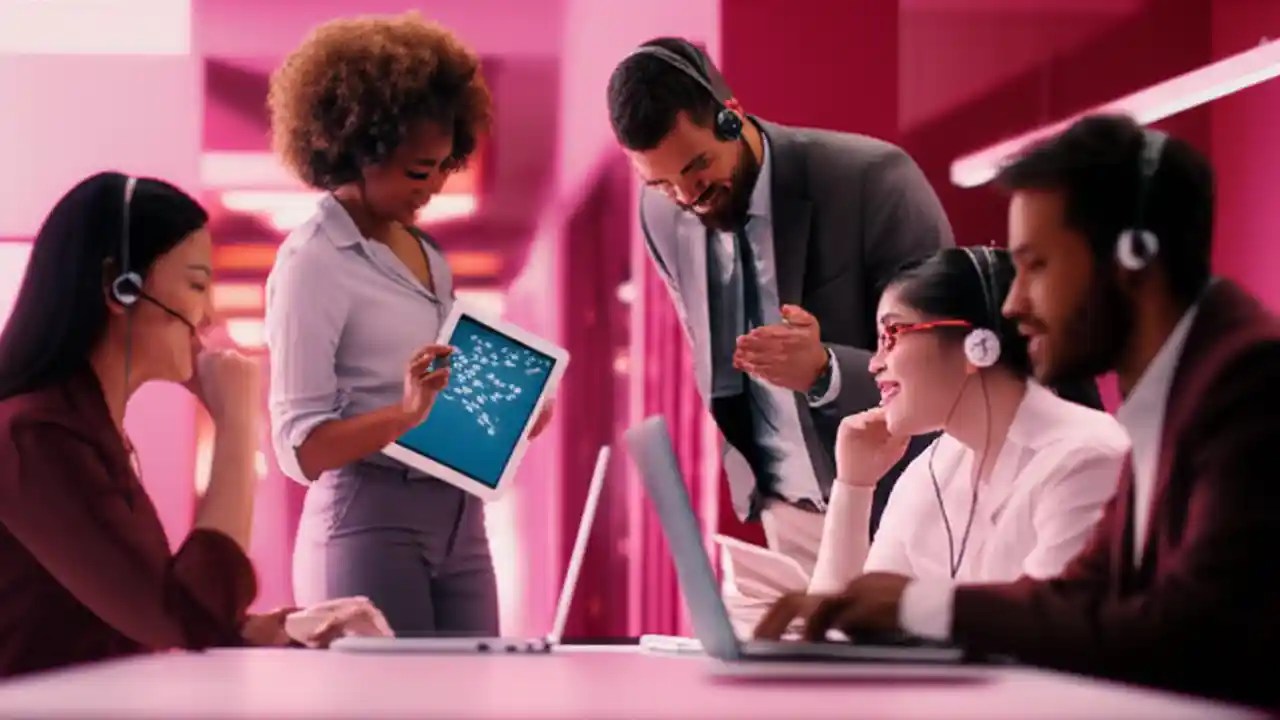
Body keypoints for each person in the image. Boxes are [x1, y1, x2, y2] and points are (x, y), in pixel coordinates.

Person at [761, 115, 1280, 708]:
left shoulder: (1249, 385)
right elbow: (1083, 594)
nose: (1012, 304)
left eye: (1037, 266)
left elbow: (1189, 628)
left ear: (1132, 258)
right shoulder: (1176, 396)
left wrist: (918, 604)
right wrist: (886, 601)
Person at [0, 172, 387, 678]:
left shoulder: (83, 430)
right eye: (197, 284)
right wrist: (236, 423)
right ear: (120, 287)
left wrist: (280, 626)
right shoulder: (34, 437)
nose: (208, 316)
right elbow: (180, 616)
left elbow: (137, 612)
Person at [607, 37, 955, 570]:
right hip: (782, 517)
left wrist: (825, 370)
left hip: (897, 510)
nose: (687, 197)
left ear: (731, 117)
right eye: (661, 183)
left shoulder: (871, 180)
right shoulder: (661, 216)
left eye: (698, 167)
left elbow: (942, 358)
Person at [265, 12, 551, 636]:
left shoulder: (429, 255)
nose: (436, 188)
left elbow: (434, 396)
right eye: (419, 171)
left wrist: (507, 421)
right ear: (354, 150)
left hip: (461, 516)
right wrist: (403, 414)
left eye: (447, 166)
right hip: (368, 516)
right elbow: (301, 448)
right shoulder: (312, 261)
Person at [753, 247, 1126, 637]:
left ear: (976, 345)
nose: (874, 363)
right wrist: (853, 487)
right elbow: (836, 637)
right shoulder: (934, 469)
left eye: (891, 335)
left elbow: (1049, 638)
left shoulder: (1087, 460)